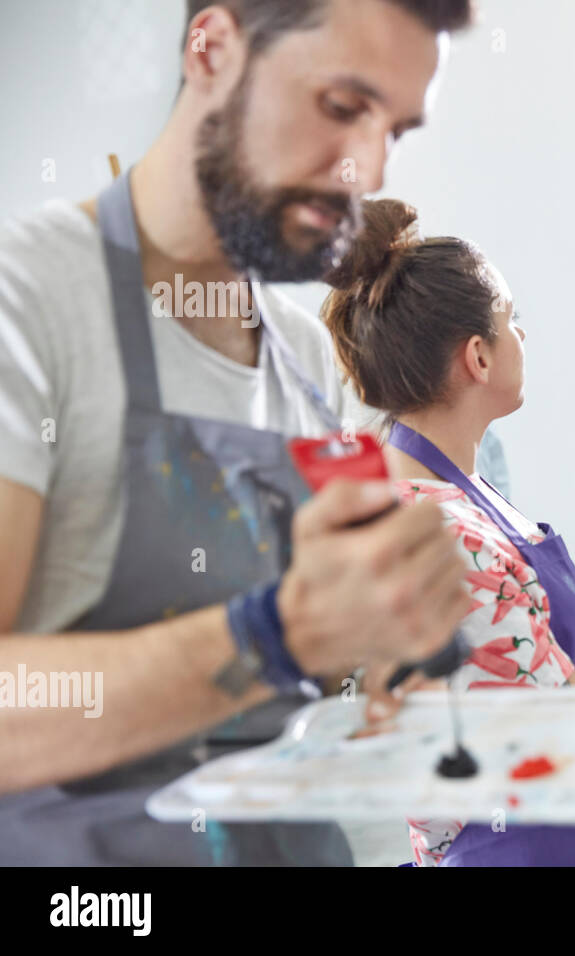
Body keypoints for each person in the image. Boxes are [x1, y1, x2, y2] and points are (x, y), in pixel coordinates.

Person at [0, 0, 476, 864]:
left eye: (394, 131)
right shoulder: (27, 297)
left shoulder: (296, 351)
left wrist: (382, 643)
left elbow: (325, 670)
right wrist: (270, 636)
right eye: (340, 107)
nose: (362, 167)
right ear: (211, 48)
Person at [321, 198, 575, 866]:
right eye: (511, 320)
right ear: (477, 355)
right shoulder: (436, 533)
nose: (522, 338)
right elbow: (543, 736)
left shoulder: (462, 497)